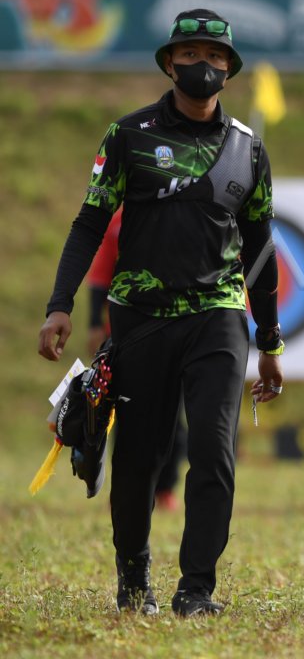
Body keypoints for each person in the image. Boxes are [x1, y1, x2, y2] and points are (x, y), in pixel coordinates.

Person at [37, 8, 284, 617]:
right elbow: (90, 222)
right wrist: (60, 305)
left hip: (218, 314)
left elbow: (260, 248)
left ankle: (196, 590)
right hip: (140, 317)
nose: (204, 65)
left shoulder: (249, 149)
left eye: (215, 56)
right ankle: (133, 577)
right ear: (170, 63)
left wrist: (270, 341)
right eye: (191, 54)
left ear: (230, 68)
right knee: (139, 458)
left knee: (214, 451)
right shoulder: (128, 135)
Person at [85, 208, 187, 513]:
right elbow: (101, 276)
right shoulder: (118, 221)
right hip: (127, 332)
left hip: (177, 327)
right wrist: (94, 323)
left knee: (173, 411)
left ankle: (165, 488)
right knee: (126, 413)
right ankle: (125, 490)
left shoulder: (183, 210)